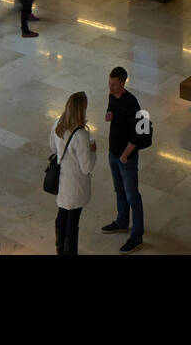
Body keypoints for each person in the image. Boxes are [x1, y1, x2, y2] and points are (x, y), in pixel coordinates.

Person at [101, 65, 145, 252]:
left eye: (114, 85)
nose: (110, 88)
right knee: (119, 190)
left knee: (132, 195)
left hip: (126, 157)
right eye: (109, 84)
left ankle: (137, 235)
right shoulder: (112, 96)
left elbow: (138, 136)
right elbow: (110, 112)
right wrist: (108, 116)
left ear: (123, 83)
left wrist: (126, 155)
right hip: (113, 152)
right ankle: (121, 221)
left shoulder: (132, 104)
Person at [49, 91, 97, 255]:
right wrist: (93, 152)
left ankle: (60, 249)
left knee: (62, 216)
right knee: (72, 223)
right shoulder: (81, 134)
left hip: (62, 182)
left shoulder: (57, 125)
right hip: (75, 185)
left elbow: (52, 147)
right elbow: (86, 167)